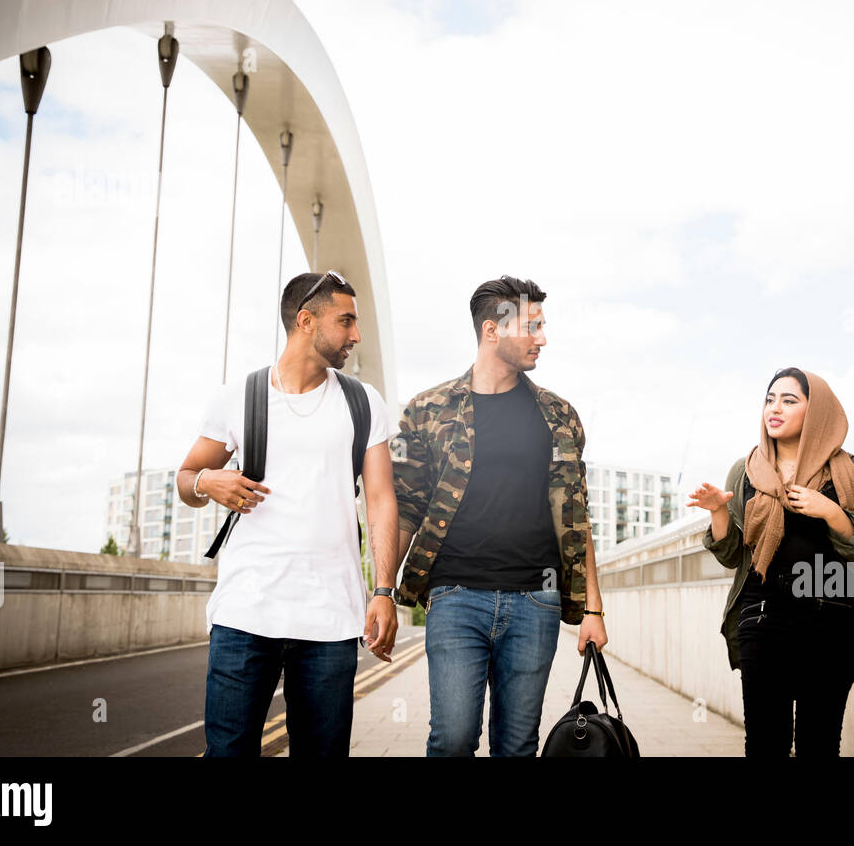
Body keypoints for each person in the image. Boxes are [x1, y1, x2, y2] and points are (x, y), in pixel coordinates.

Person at [176, 270, 398, 757]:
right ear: (305, 321)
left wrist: (383, 591)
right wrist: (206, 482)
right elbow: (186, 480)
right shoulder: (239, 396)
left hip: (331, 623)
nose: (357, 335)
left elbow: (381, 500)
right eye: (346, 321)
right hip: (244, 617)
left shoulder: (364, 403)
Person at [390, 275, 608, 756]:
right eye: (532, 327)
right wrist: (383, 593)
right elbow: (406, 509)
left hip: (537, 600)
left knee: (517, 746)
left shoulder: (559, 415)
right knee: (453, 738)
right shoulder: (426, 411)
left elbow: (578, 517)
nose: (543, 338)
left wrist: (593, 608)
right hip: (455, 596)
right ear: (492, 330)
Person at [688, 367, 854, 757]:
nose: (774, 409)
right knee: (764, 742)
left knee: (819, 744)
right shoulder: (745, 471)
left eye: (789, 400)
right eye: (770, 399)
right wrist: (718, 514)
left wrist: (830, 511)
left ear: (817, 411)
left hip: (833, 616)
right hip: (763, 616)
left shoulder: (847, 470)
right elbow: (731, 557)